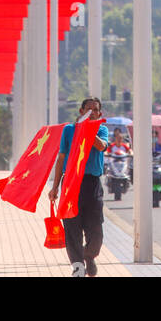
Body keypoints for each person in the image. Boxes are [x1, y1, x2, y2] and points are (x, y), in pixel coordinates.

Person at [49, 96, 109, 278]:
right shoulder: (68, 131)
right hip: (71, 184)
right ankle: (78, 267)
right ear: (81, 112)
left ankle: (89, 255)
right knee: (72, 229)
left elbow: (101, 146)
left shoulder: (102, 129)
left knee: (96, 230)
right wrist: (55, 187)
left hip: (92, 185)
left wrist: (88, 129)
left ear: (100, 114)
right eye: (88, 110)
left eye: (96, 110)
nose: (92, 113)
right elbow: (61, 159)